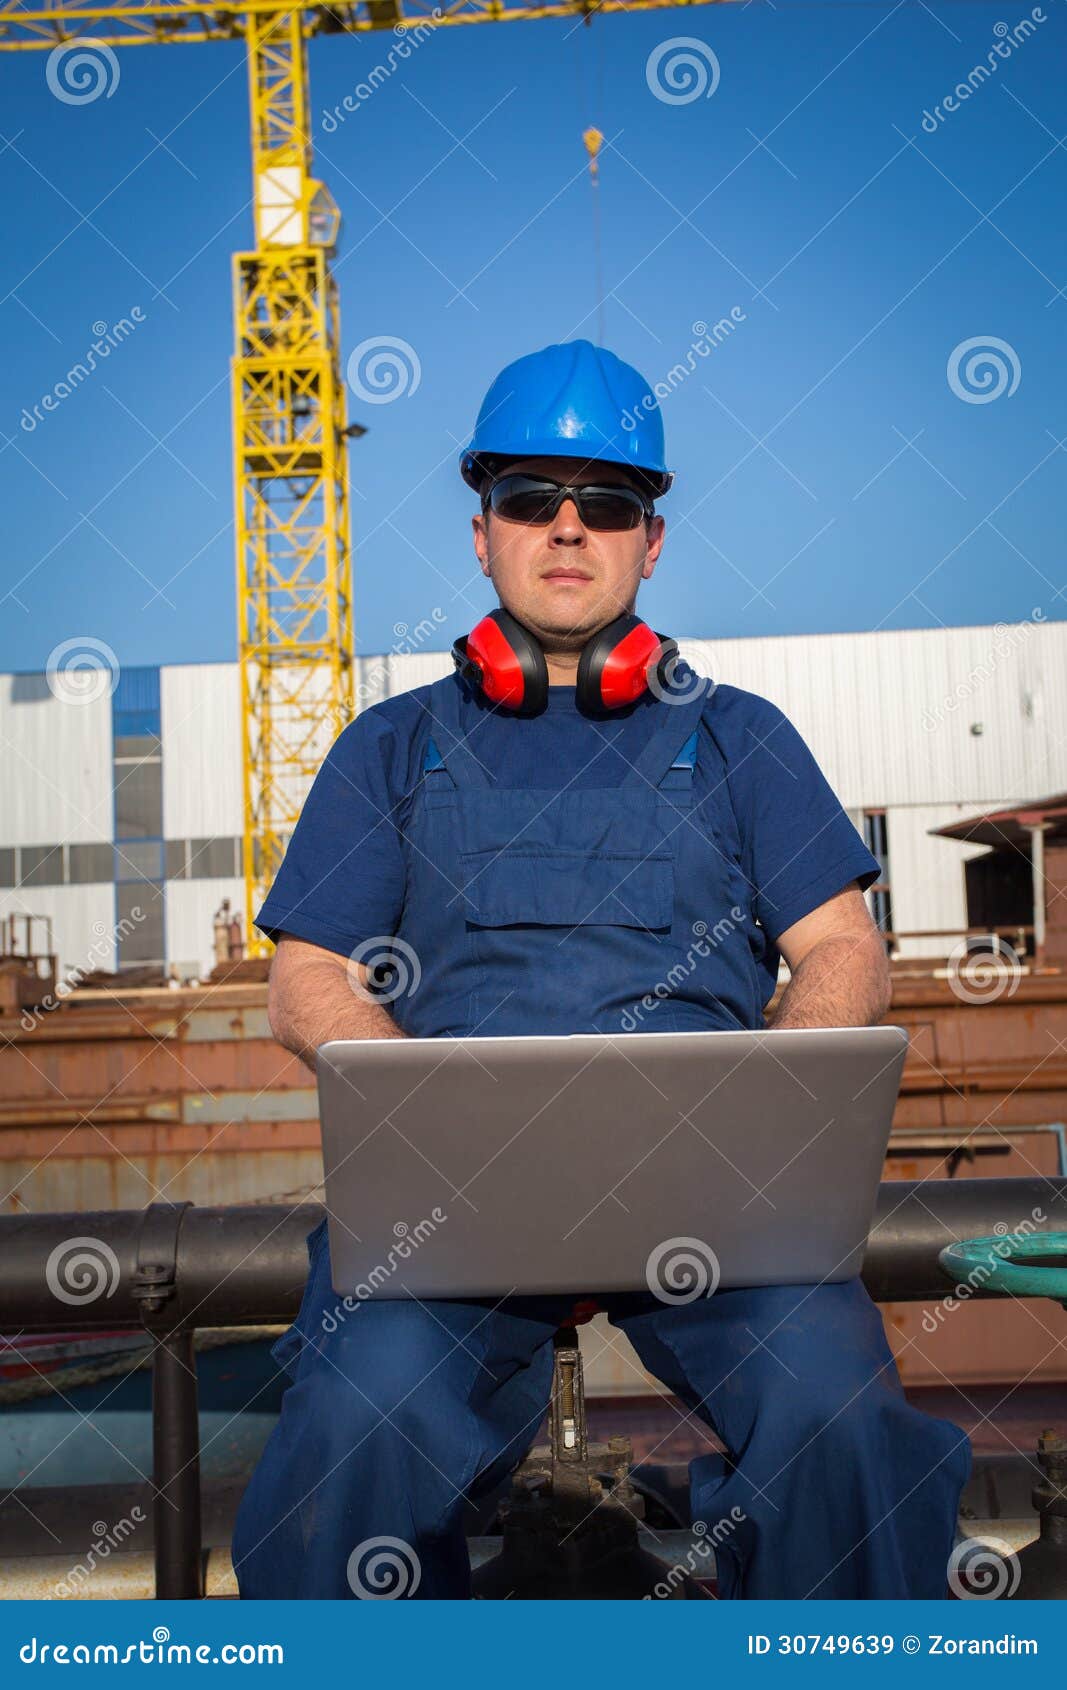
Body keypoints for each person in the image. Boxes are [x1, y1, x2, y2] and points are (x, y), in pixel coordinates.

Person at [231, 339, 971, 1600]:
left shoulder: (740, 739)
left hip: (719, 1210)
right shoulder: (389, 749)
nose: (567, 529)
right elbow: (306, 978)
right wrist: (417, 1108)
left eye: (607, 505)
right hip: (451, 1214)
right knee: (349, 1434)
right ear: (482, 533)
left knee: (838, 1423)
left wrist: (772, 1097)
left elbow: (842, 948)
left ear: (650, 541)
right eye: (531, 500)